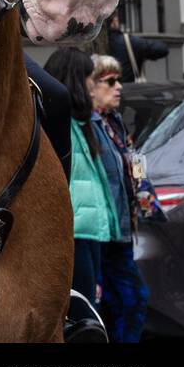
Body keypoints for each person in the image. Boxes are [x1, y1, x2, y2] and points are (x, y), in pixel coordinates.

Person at [46, 49, 119, 318]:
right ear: (76, 79)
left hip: (88, 231)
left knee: (89, 310)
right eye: (90, 77)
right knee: (82, 314)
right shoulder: (59, 124)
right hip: (75, 232)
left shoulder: (81, 123)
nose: (93, 84)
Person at [89, 54, 149, 341]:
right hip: (102, 236)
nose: (119, 87)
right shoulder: (87, 126)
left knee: (130, 302)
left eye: (119, 80)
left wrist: (144, 191)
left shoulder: (114, 122)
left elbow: (133, 161)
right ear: (91, 87)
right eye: (110, 81)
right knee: (126, 301)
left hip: (121, 232)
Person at [107, 11, 167, 84]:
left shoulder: (93, 43)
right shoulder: (128, 42)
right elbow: (162, 49)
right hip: (128, 91)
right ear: (114, 20)